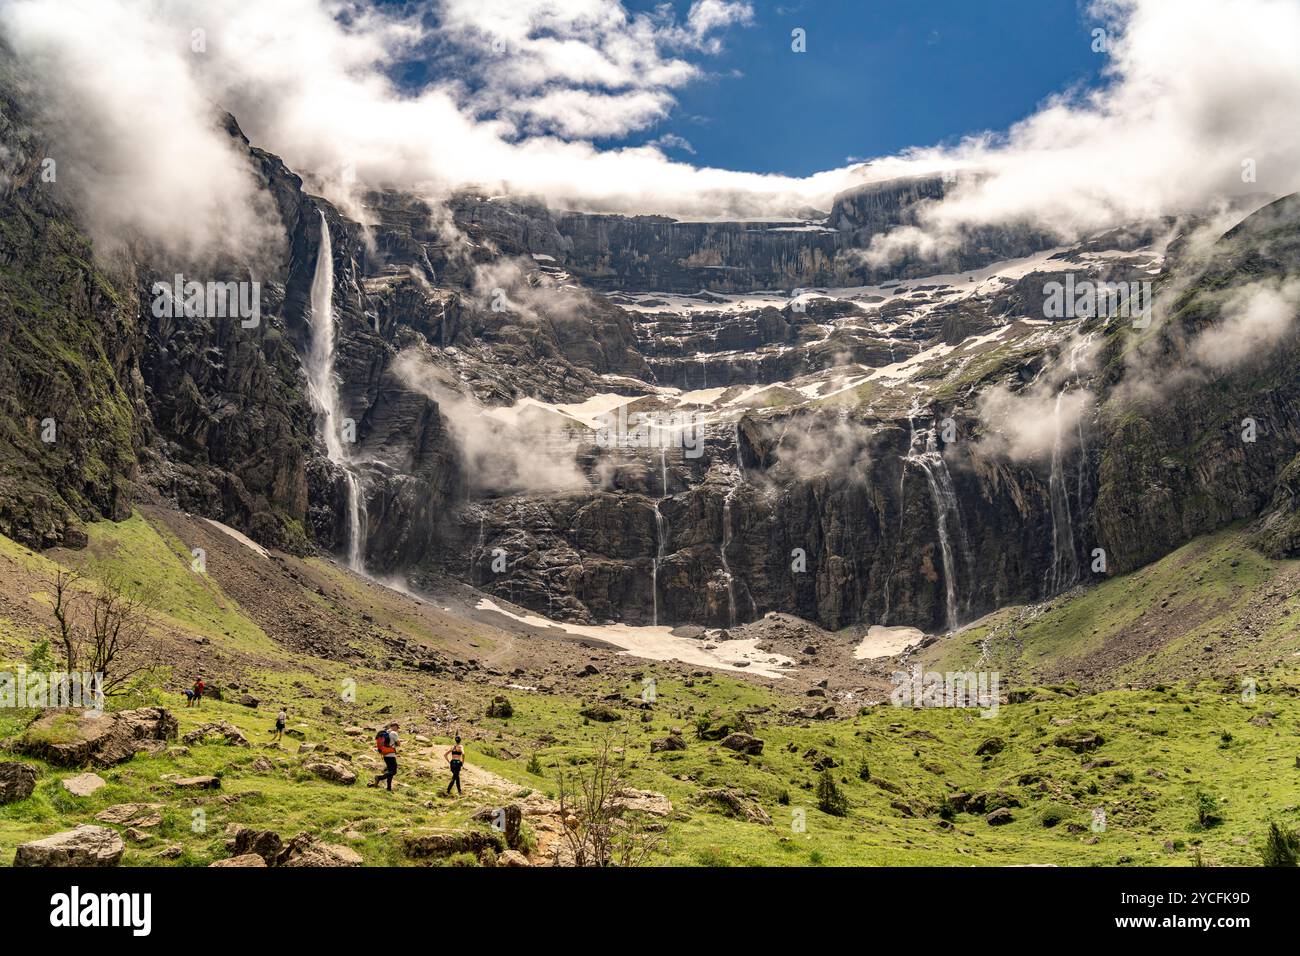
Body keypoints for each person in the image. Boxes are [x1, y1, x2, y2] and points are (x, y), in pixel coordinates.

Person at [368, 723, 400, 791]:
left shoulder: (385, 732)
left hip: (385, 754)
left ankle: (389, 788)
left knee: (390, 771)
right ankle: (379, 778)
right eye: (397, 727)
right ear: (394, 727)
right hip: (391, 754)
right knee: (394, 771)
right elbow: (398, 743)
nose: (397, 729)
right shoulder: (393, 733)